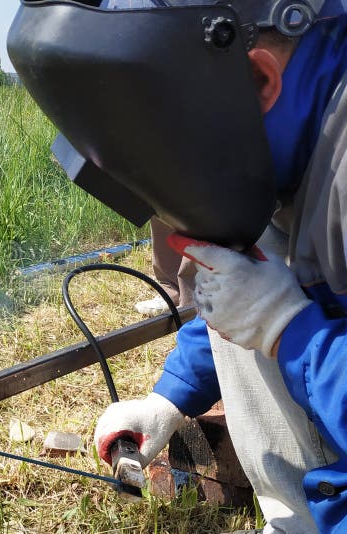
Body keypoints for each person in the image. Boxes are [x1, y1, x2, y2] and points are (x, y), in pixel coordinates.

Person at [93, 8, 347, 533]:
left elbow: (280, 310)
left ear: (258, 77)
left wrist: (288, 329)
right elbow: (254, 288)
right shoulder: (298, 140)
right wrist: (169, 397)